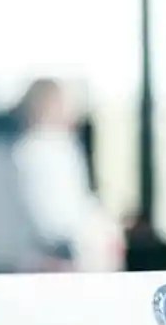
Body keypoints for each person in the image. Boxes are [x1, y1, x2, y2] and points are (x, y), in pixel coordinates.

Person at [11, 78, 123, 272]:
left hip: (73, 239)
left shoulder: (62, 145)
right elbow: (51, 215)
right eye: (61, 103)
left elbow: (76, 201)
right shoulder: (36, 150)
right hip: (57, 247)